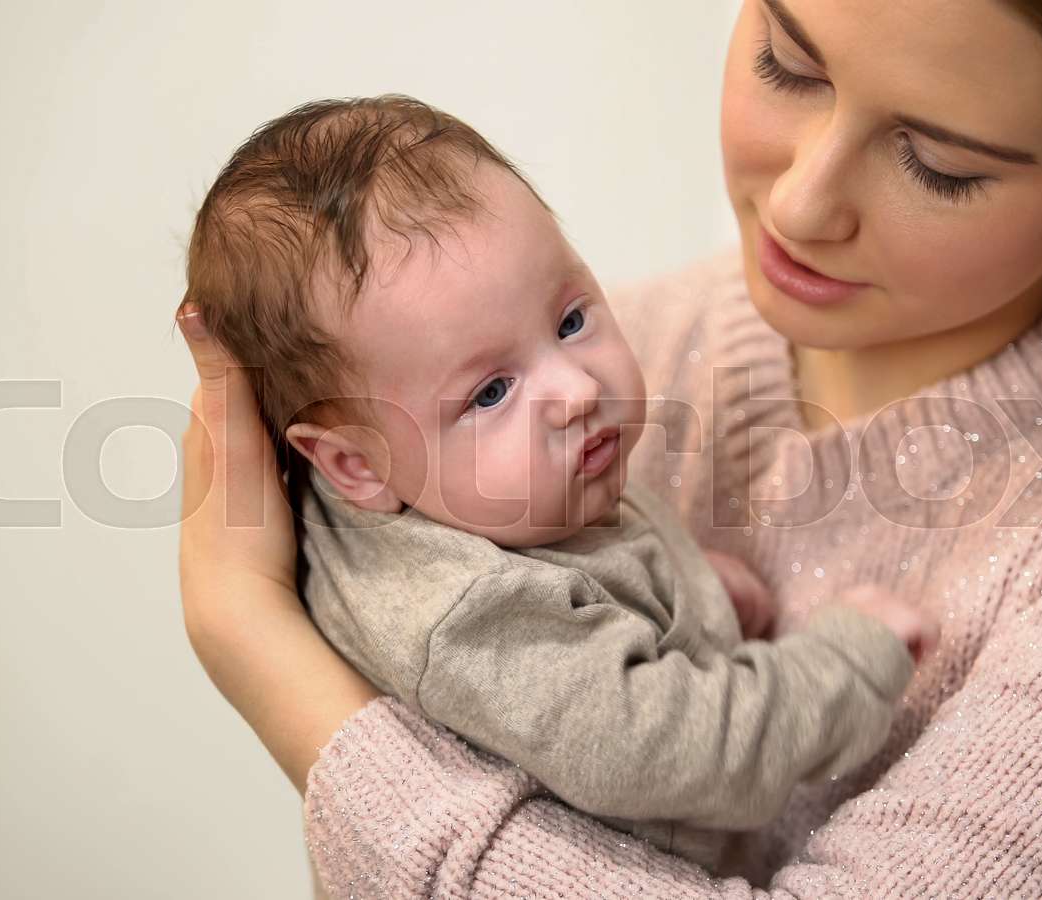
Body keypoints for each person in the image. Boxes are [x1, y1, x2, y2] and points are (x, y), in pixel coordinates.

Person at [177, 0, 1042, 894]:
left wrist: (274, 672)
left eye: (938, 162)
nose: (796, 209)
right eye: (788, 61)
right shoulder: (623, 357)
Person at [177, 95, 937, 876]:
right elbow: (670, 748)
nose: (574, 390)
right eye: (490, 393)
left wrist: (691, 596)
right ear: (356, 464)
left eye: (571, 320)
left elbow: (583, 618)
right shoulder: (470, 612)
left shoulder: (471, 493)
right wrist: (844, 664)